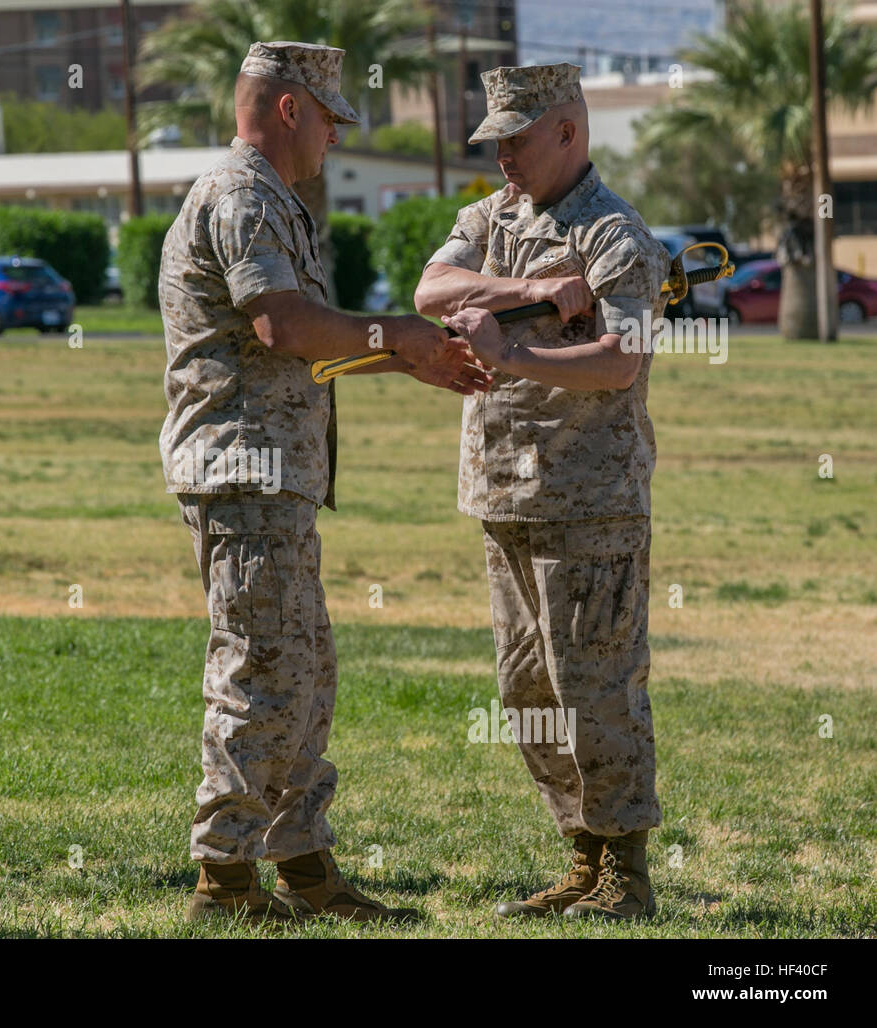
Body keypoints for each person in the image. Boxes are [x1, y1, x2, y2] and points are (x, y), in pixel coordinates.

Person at [158, 39, 491, 923]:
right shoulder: (241, 196)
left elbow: (309, 349)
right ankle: (223, 880)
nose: (336, 139)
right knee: (261, 669)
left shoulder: (277, 202)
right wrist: (397, 336)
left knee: (304, 672)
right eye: (332, 120)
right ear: (290, 109)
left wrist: (411, 361)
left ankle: (304, 866)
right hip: (243, 470)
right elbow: (280, 327)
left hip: (275, 476)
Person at [414, 63, 671, 920]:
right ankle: (582, 854)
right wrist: (526, 293)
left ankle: (625, 871)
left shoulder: (616, 238)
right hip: (502, 496)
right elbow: (431, 289)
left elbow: (621, 360)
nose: (502, 159)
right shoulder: (491, 220)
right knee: (526, 694)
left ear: (568, 131)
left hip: (588, 502)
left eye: (516, 140)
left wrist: (515, 353)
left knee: (595, 685)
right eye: (495, 143)